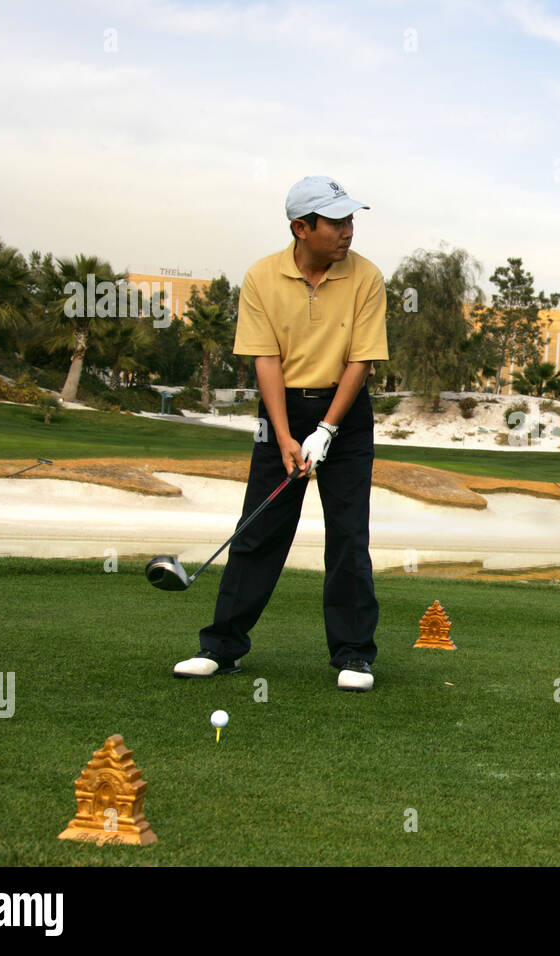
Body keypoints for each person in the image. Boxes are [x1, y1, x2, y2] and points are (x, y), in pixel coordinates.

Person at [173, 176, 388, 692]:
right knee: (260, 529)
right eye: (336, 222)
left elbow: (361, 360)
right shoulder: (261, 277)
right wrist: (287, 435)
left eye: (351, 220)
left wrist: (328, 430)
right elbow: (265, 360)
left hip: (346, 411)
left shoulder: (367, 277)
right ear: (301, 227)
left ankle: (354, 656)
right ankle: (221, 648)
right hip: (283, 410)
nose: (348, 231)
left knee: (347, 537)